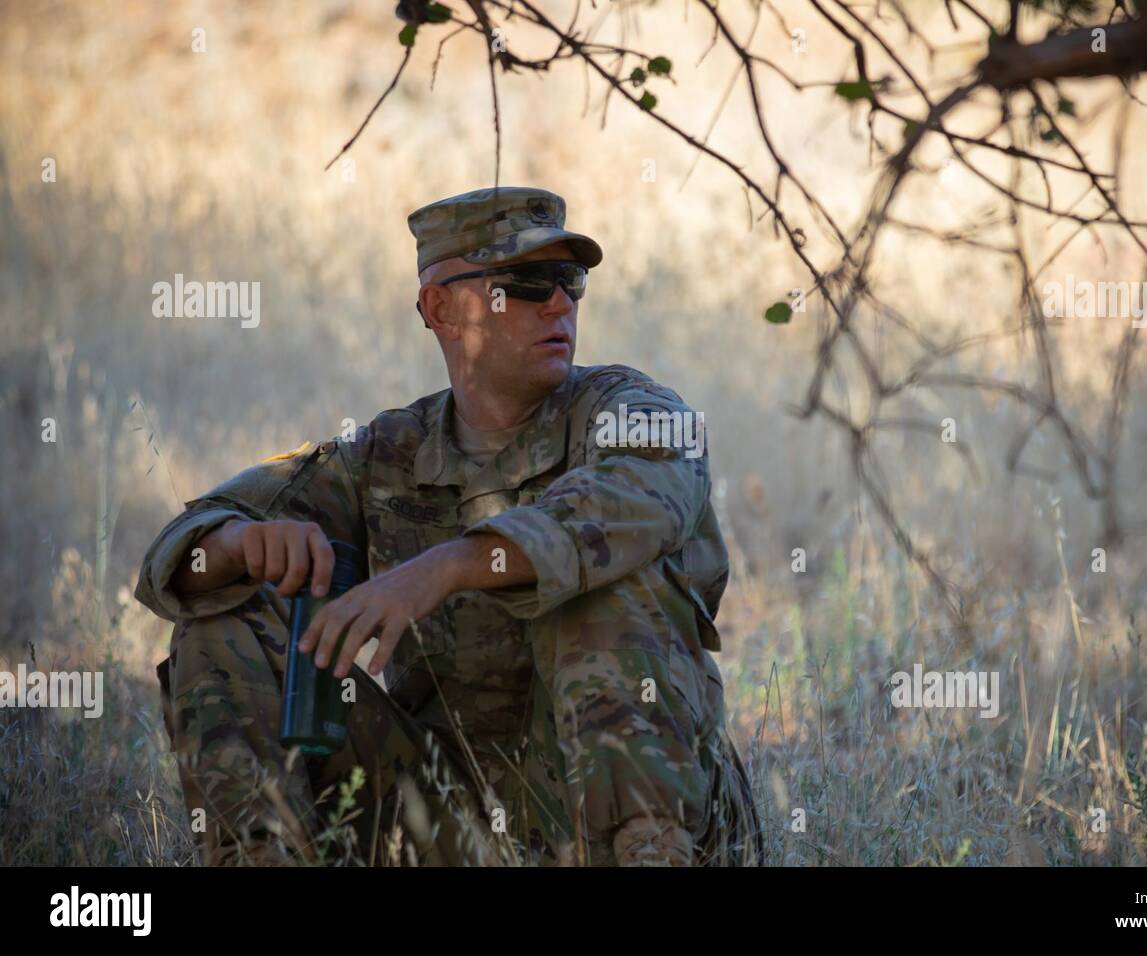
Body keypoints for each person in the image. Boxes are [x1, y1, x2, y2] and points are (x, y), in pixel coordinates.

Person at [134, 185, 762, 866]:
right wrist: (237, 546)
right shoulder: (385, 453)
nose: (559, 303)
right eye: (524, 283)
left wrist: (447, 567)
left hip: (655, 815)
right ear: (441, 309)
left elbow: (634, 497)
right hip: (454, 822)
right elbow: (178, 555)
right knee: (220, 623)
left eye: (569, 280)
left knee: (598, 588)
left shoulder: (627, 408)